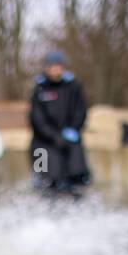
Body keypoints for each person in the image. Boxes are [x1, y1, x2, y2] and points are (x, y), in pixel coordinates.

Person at [29, 50, 90, 197]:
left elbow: (80, 111)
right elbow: (37, 119)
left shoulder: (74, 87)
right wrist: (54, 136)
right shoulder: (39, 89)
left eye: (58, 66)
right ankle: (46, 194)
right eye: (51, 67)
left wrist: (73, 130)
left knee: (77, 170)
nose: (55, 70)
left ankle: (74, 194)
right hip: (44, 141)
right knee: (45, 171)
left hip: (69, 137)